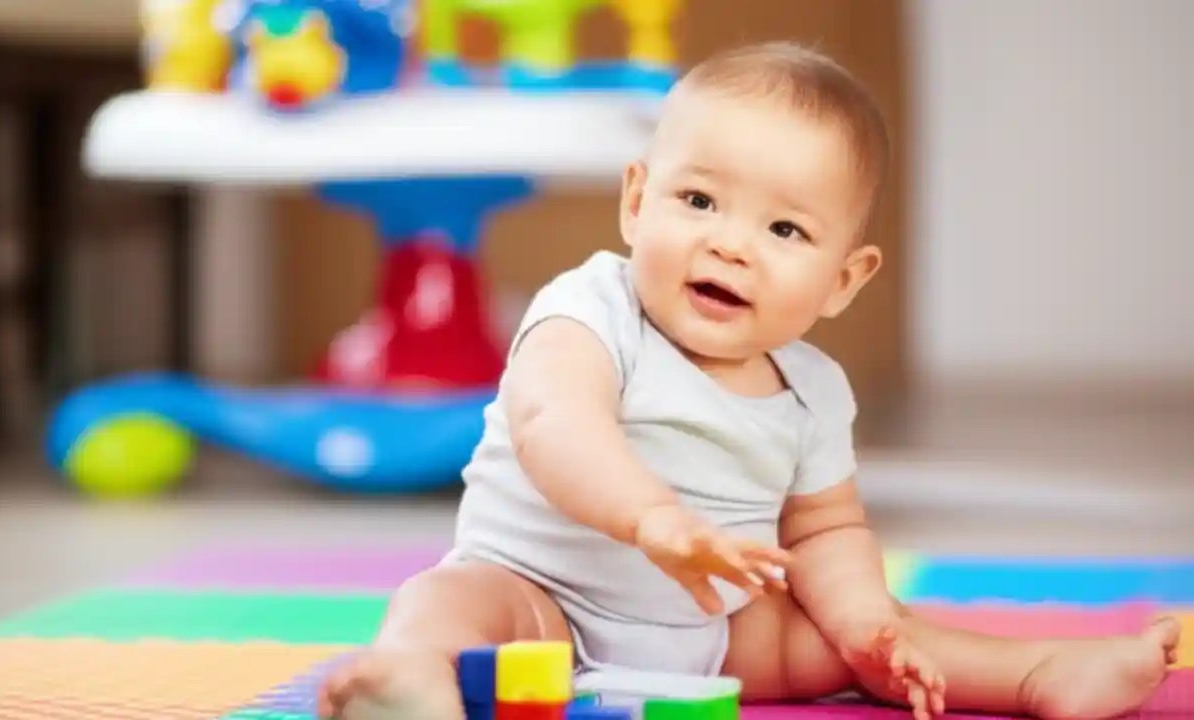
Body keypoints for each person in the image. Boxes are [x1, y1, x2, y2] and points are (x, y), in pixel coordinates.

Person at [320, 41, 1179, 720]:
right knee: (445, 600)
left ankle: (1039, 673)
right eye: (698, 202)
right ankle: (407, 681)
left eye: (784, 229)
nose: (730, 243)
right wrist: (651, 518)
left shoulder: (812, 390)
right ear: (636, 202)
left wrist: (864, 622)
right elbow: (556, 424)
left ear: (844, 279)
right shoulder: (592, 307)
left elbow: (825, 531)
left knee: (876, 644)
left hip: (715, 639)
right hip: (541, 599)